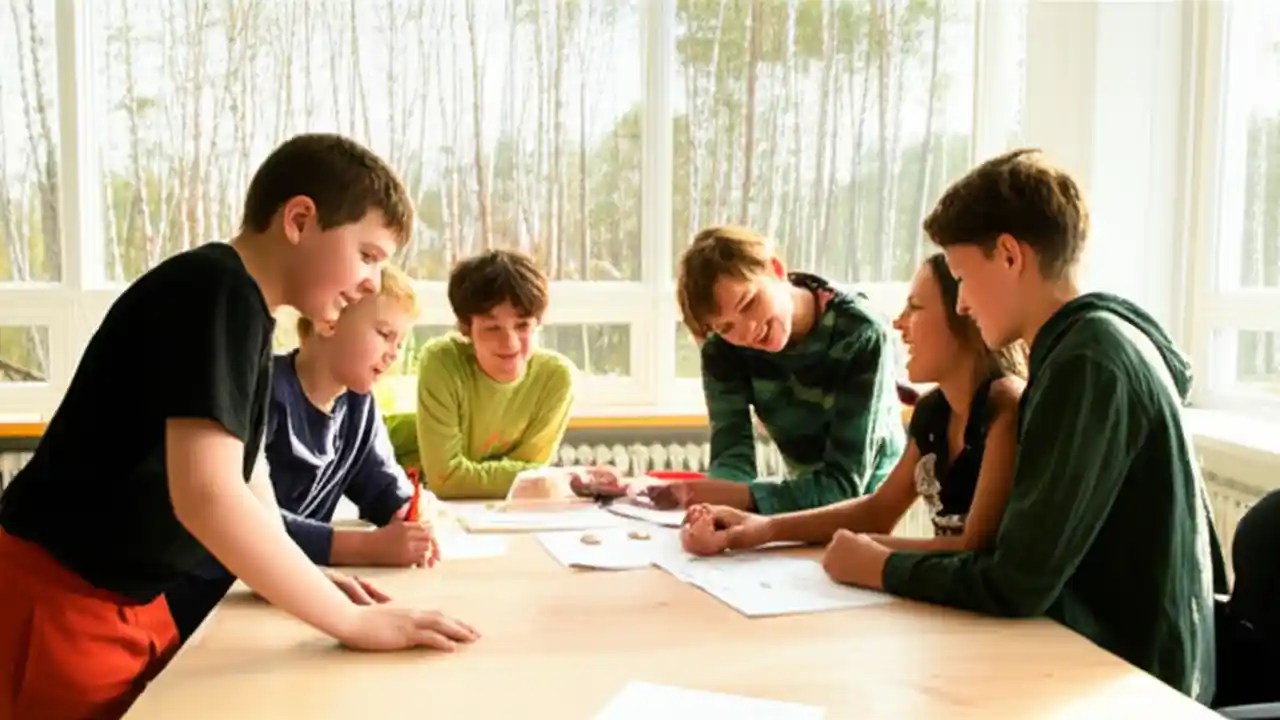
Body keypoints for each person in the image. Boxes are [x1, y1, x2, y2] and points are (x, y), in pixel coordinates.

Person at [0, 133, 478, 719]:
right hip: (64, 605)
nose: (373, 283)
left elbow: (249, 481)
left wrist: (305, 581)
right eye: (368, 255)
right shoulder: (215, 291)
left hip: (124, 603)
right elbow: (208, 495)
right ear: (299, 220)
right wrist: (350, 622)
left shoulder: (245, 306)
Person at [806, 148, 1222, 703]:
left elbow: (1016, 582)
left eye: (961, 277)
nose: (963, 305)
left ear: (1008, 255)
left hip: (1129, 684)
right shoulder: (1088, 345)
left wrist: (882, 568)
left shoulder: (1087, 363)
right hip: (1098, 660)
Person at [682, 253, 1025, 556]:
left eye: (915, 307)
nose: (897, 322)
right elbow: (876, 512)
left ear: (965, 312)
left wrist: (870, 554)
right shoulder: (933, 412)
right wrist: (762, 528)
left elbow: (975, 549)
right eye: (726, 327)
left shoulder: (1004, 406)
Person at [164, 265, 439, 642]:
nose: (393, 353)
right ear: (329, 322)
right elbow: (244, 517)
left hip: (283, 598)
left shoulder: (358, 405)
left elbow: (382, 490)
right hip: (209, 604)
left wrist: (408, 516)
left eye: (400, 342)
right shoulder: (263, 394)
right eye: (384, 334)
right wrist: (363, 548)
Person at [655, 225, 904, 515]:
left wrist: (741, 500)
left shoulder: (861, 333)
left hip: (871, 509)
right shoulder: (722, 349)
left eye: (749, 303)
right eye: (726, 327)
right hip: (804, 497)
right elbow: (732, 456)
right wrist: (717, 510)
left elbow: (845, 486)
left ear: (776, 269)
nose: (747, 331)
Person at [388, 248, 575, 500]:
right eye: (492, 328)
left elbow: (529, 481)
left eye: (522, 325)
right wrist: (527, 477)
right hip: (397, 477)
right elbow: (445, 480)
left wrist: (467, 475)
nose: (510, 343)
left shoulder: (555, 378)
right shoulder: (442, 361)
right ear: (466, 328)